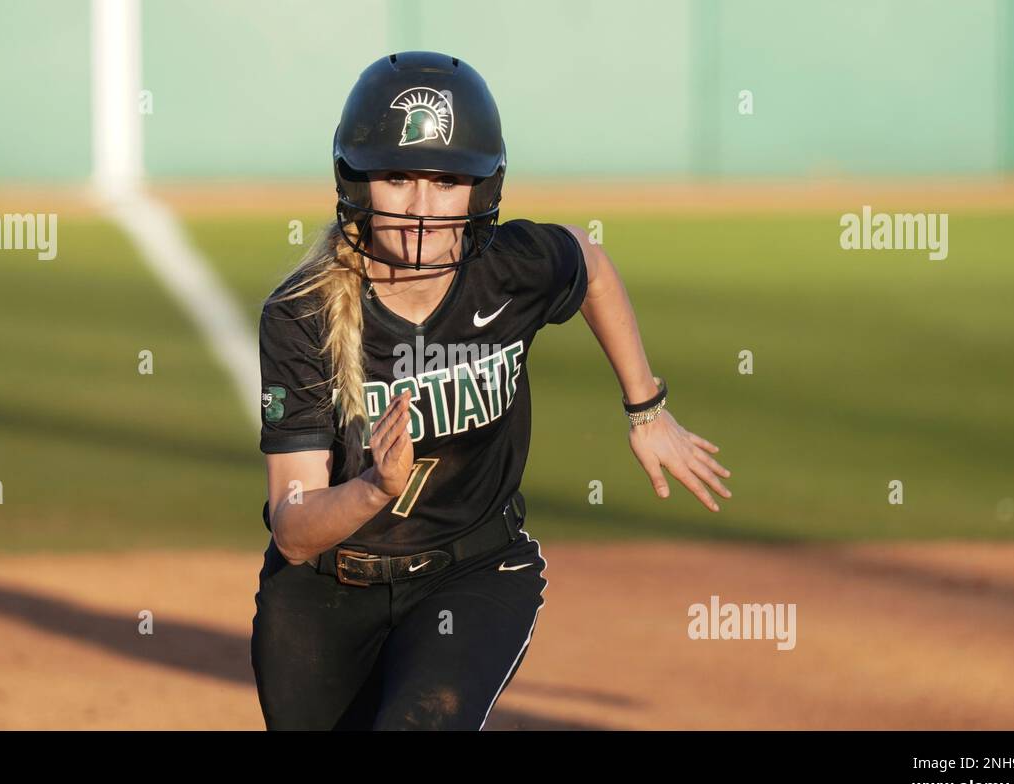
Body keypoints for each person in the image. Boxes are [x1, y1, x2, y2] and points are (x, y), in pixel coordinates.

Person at [251, 51, 731, 730]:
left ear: (482, 191)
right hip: (324, 594)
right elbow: (295, 531)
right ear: (356, 181)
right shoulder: (302, 316)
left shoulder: (511, 269)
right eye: (397, 177)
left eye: (448, 182)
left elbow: (589, 264)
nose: (422, 207)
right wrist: (372, 490)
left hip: (473, 572)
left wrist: (646, 406)